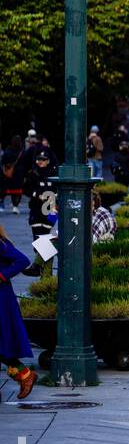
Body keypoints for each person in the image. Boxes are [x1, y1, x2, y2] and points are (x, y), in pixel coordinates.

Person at [0, 223, 37, 398]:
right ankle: (25, 375)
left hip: (2, 300)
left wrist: (2, 275)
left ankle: (25, 375)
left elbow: (23, 260)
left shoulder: (1, 244)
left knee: (3, 343)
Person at [22, 147, 56, 276]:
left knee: (47, 238)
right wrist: (37, 195)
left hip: (50, 211)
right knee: (37, 240)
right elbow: (26, 189)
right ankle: (41, 269)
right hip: (36, 210)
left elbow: (57, 192)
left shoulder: (53, 174)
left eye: (44, 159)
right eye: (39, 159)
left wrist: (54, 205)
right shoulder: (33, 174)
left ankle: (42, 269)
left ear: (48, 161)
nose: (41, 161)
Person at [2, 136, 24, 213]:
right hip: (19, 173)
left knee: (11, 190)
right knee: (18, 191)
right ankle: (15, 206)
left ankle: (6, 203)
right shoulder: (21, 151)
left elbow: (3, 160)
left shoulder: (8, 150)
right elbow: (25, 162)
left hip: (10, 173)